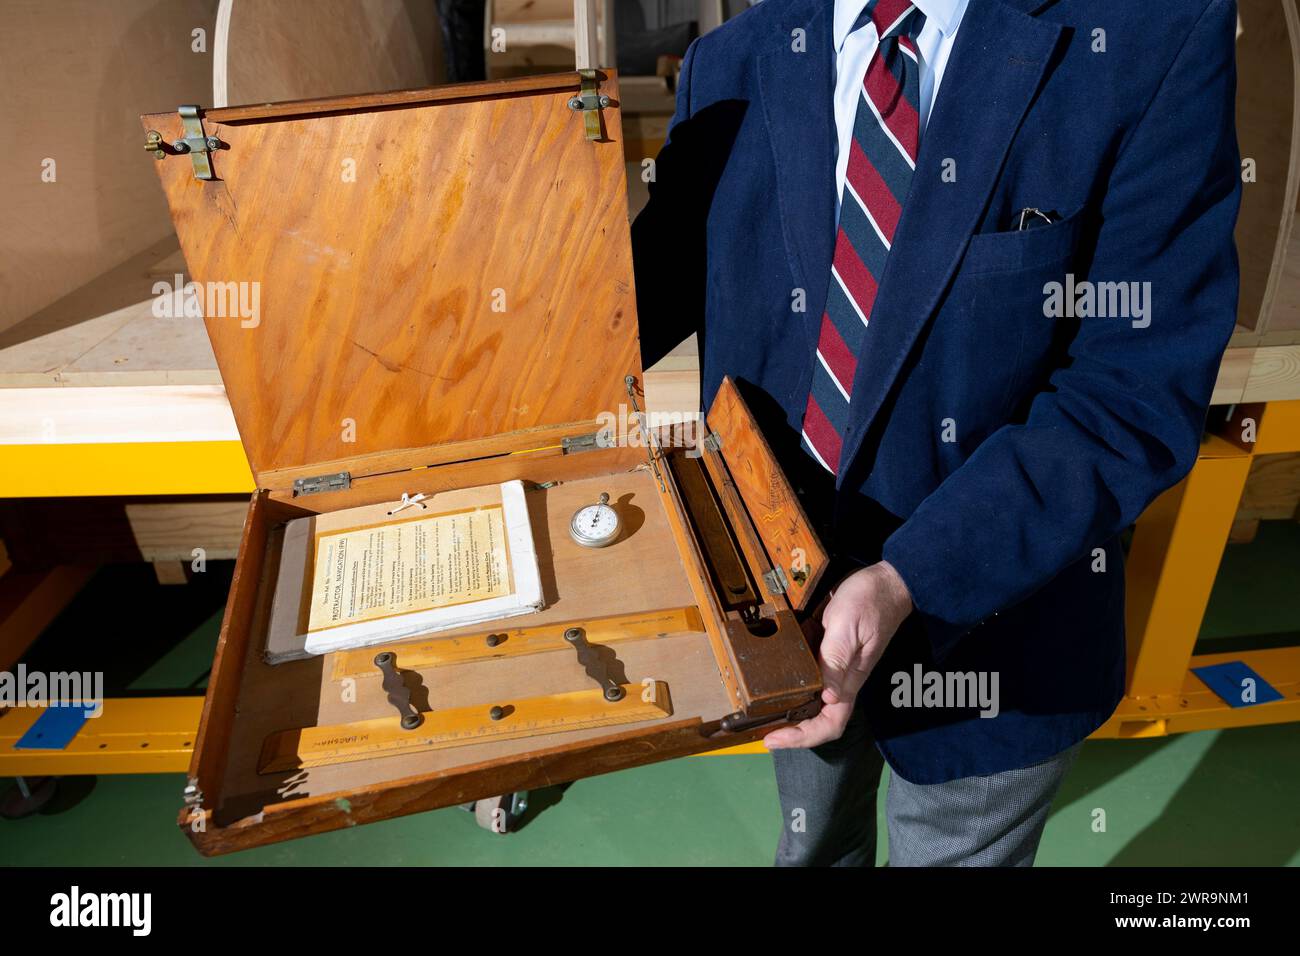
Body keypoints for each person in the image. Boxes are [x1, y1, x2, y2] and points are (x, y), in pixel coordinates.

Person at [632, 0, 1241, 866]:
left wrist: (911, 579)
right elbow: (625, 307)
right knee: (813, 847)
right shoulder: (735, 60)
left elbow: (1133, 390)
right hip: (787, 611)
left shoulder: (1150, 39)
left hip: (1000, 626)